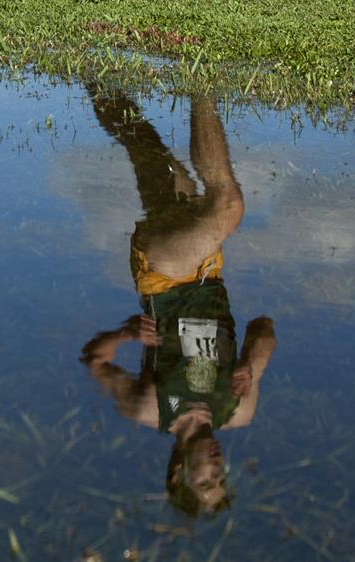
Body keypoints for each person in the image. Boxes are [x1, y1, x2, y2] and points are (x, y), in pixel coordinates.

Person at [78, 87, 277, 518]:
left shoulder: (149, 409)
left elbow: (93, 361)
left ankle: (203, 78)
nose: (217, 470)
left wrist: (126, 334)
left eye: (206, 480)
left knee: (228, 203)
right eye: (222, 479)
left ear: (178, 473)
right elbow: (264, 328)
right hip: (206, 268)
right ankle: (95, 79)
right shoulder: (237, 410)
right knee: (145, 145)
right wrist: (252, 365)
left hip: (164, 273)